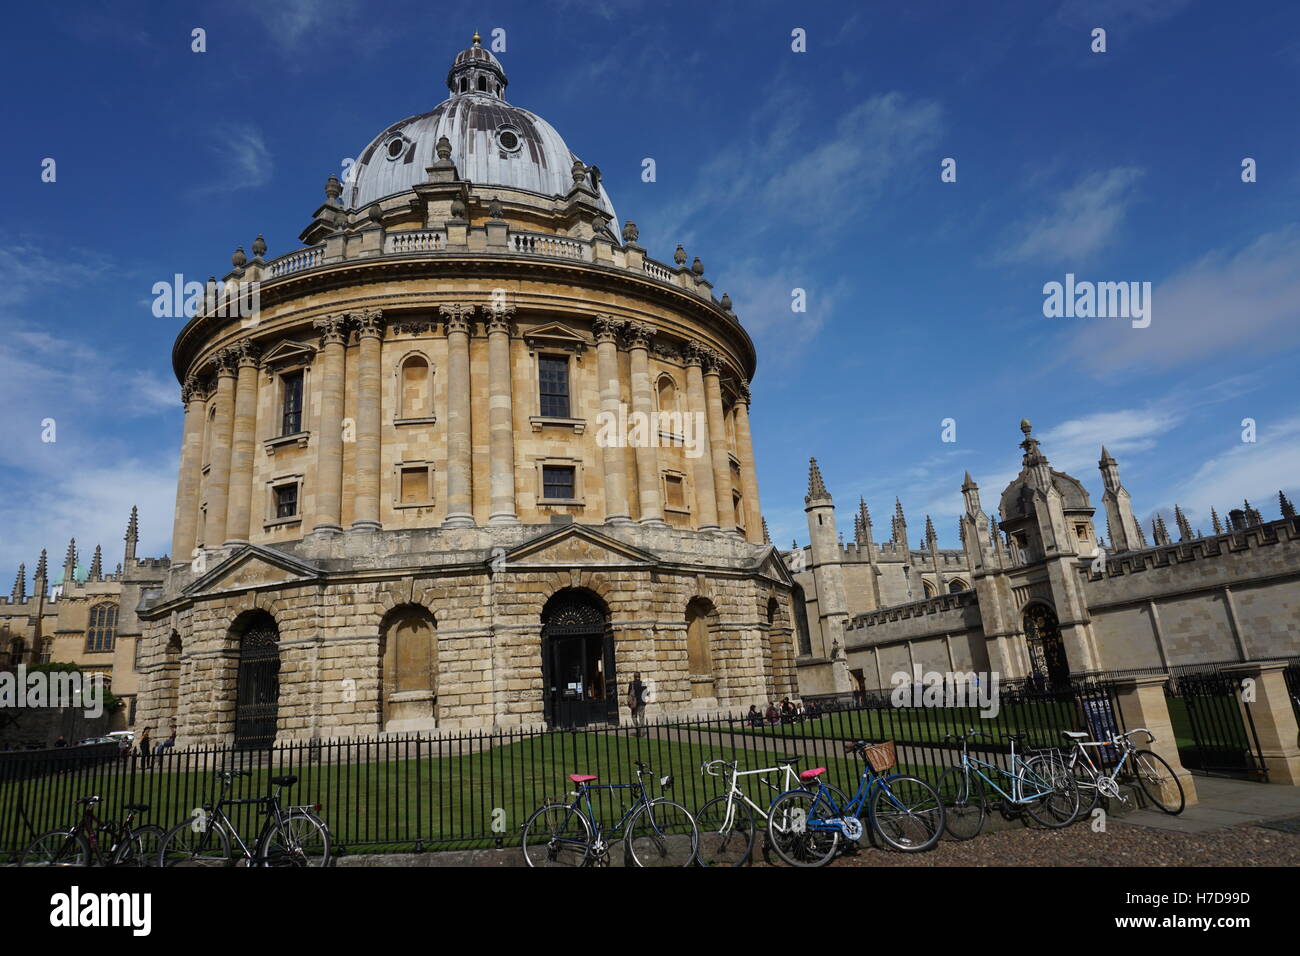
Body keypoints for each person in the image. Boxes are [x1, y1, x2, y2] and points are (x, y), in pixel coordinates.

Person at [627, 673, 647, 737]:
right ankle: (641, 732)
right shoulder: (643, 683)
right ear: (639, 677)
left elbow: (629, 694)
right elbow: (646, 693)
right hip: (641, 702)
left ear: (634, 677)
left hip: (634, 703)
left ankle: (638, 728)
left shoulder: (631, 684)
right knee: (641, 717)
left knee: (633, 716)